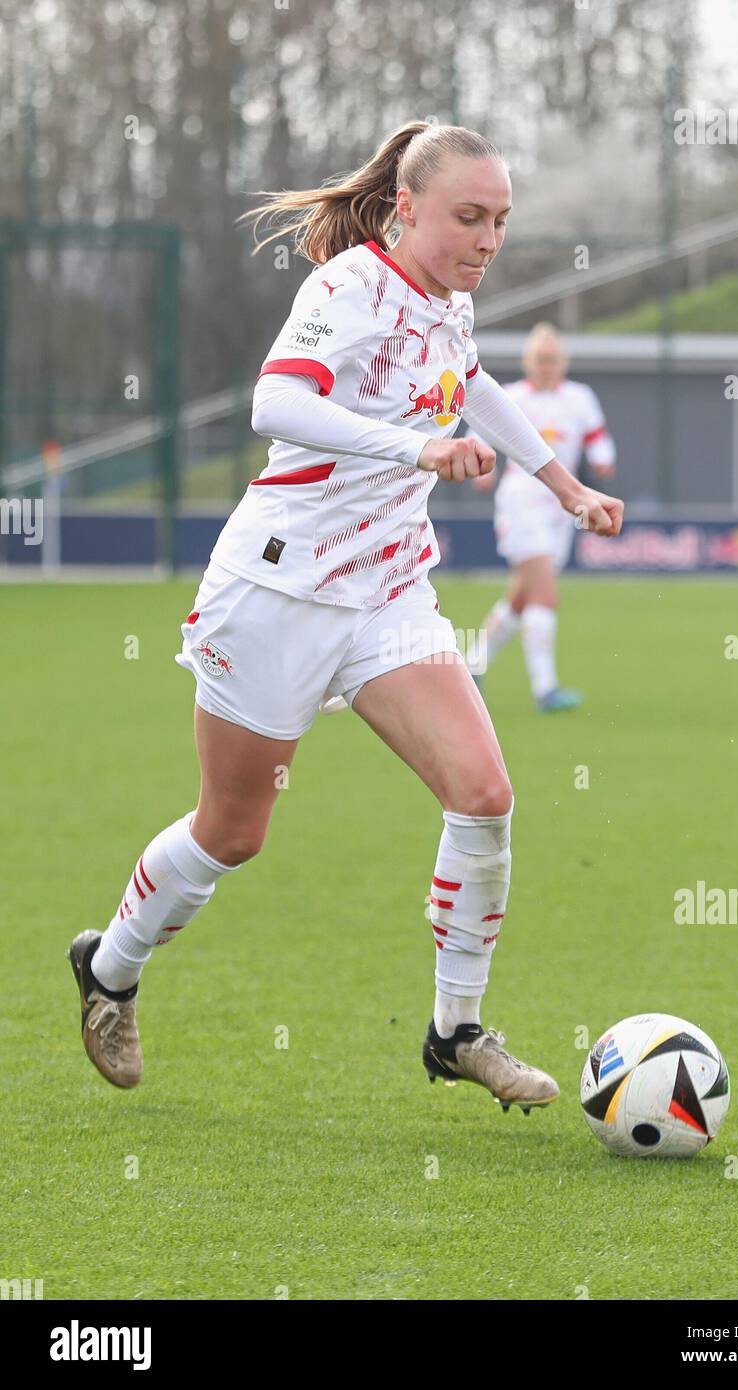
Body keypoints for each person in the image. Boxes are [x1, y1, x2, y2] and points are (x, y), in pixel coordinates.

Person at [67, 121, 623, 1114]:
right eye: (467, 216)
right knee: (233, 832)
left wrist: (564, 484)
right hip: (277, 591)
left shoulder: (445, 303)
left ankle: (455, 1031)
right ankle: (109, 967)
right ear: (406, 208)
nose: (486, 239)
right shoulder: (346, 289)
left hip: (387, 592)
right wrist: (412, 452)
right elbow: (276, 405)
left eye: (498, 220)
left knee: (484, 793)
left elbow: (475, 387)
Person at [465, 322, 617, 710]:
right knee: (545, 593)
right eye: (539, 360)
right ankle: (546, 689)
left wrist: (603, 462)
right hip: (522, 502)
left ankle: (470, 666)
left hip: (563, 508)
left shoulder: (580, 398)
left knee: (521, 599)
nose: (546, 366)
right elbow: (477, 440)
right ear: (527, 362)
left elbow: (598, 440)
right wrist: (484, 471)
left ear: (562, 362)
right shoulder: (510, 397)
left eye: (552, 360)